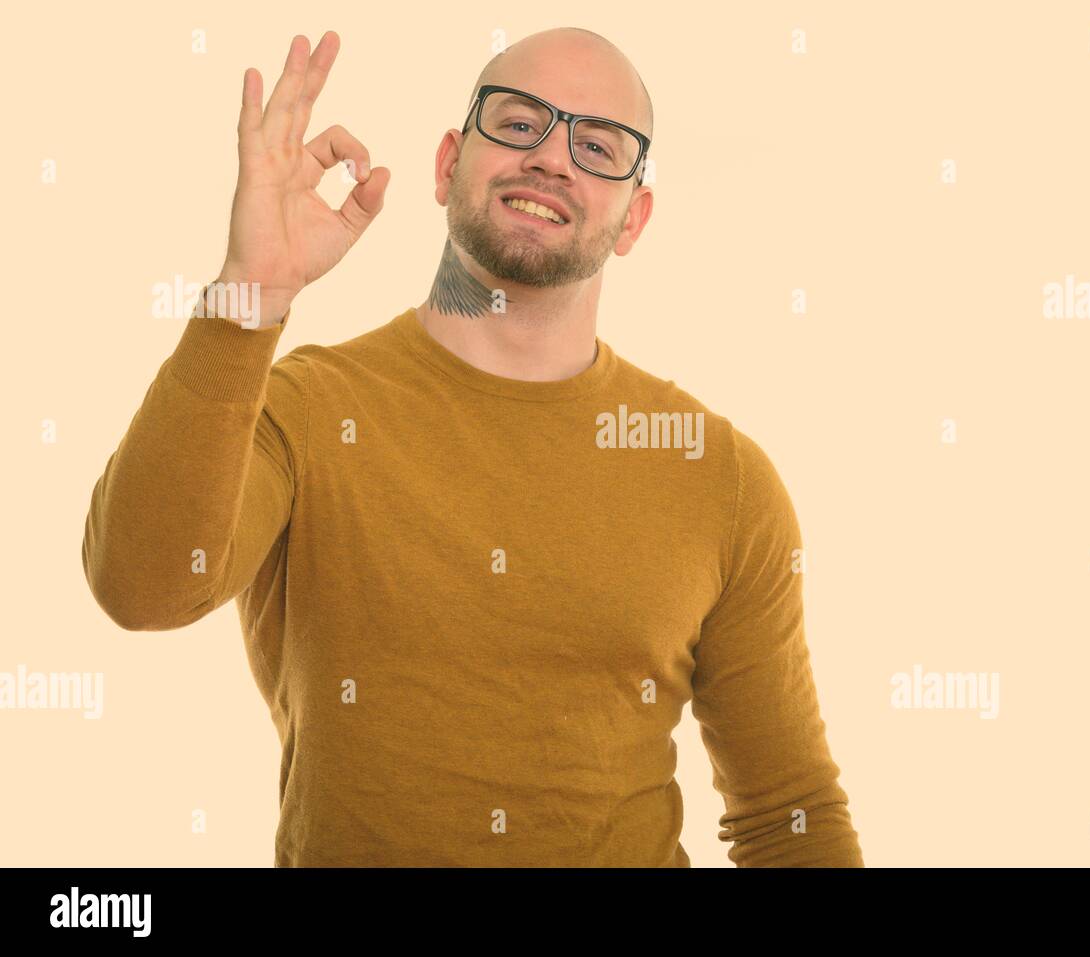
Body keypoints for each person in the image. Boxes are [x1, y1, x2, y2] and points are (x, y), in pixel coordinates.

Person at [81, 27, 863, 867]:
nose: (553, 159)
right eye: (520, 123)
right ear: (448, 162)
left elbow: (790, 814)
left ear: (633, 218)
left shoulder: (721, 476)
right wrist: (250, 297)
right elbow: (141, 588)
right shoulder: (305, 410)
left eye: (597, 146)